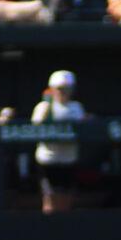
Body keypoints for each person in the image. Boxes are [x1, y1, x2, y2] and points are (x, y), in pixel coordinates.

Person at [31, 70, 85, 213]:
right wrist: (47, 107)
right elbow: (36, 128)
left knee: (67, 200)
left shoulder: (77, 107)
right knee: (50, 200)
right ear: (52, 89)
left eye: (67, 89)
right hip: (48, 161)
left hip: (69, 160)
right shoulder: (43, 107)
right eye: (60, 89)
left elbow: (82, 127)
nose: (64, 92)